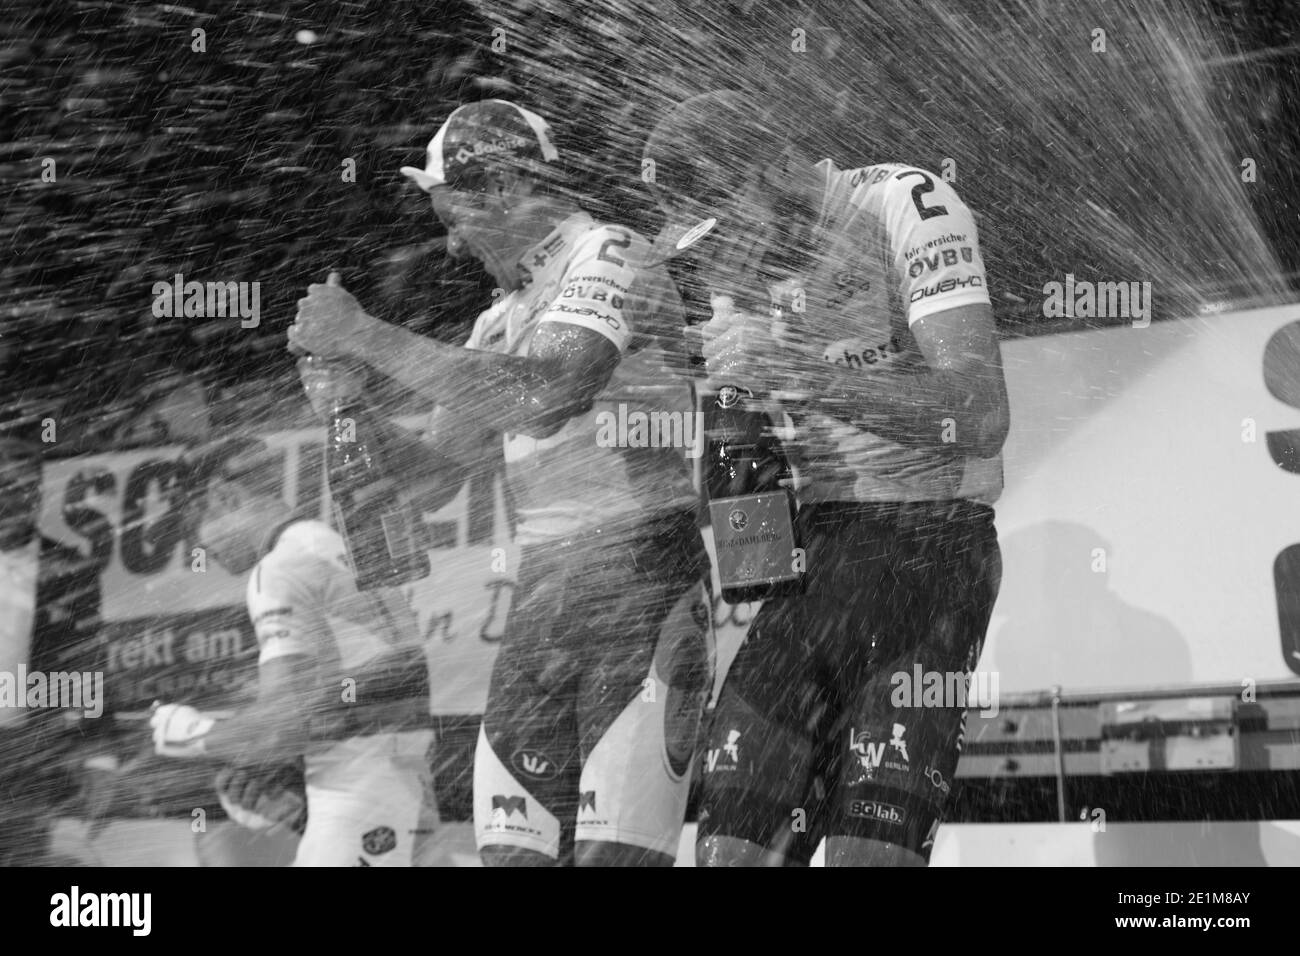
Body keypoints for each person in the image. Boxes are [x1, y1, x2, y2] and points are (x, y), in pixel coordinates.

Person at [289, 99, 713, 867]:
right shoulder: (500, 316)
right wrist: (353, 402)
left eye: (455, 216)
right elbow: (435, 480)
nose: (450, 245)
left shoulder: (610, 251)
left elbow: (545, 394)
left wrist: (364, 336)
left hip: (644, 582)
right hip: (542, 601)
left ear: (507, 188)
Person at [642, 90, 1010, 867]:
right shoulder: (740, 274)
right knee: (729, 851)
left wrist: (787, 367)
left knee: (861, 857)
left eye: (725, 223)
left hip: (931, 545)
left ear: (775, 168)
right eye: (702, 241)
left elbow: (978, 414)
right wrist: (735, 426)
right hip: (817, 560)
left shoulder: (907, 202)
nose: (721, 252)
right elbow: (751, 541)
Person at [149, 436, 436, 867]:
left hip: (359, 792)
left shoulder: (277, 569)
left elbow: (283, 723)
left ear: (225, 495)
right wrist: (288, 791)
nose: (199, 548)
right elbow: (359, 691)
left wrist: (190, 734)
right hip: (397, 781)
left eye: (195, 529)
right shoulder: (329, 543)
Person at [0, 414, 112, 866]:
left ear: (39, 489)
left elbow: (86, 666)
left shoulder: (70, 568)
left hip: (28, 752)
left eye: (19, 485)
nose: (9, 497)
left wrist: (99, 759)